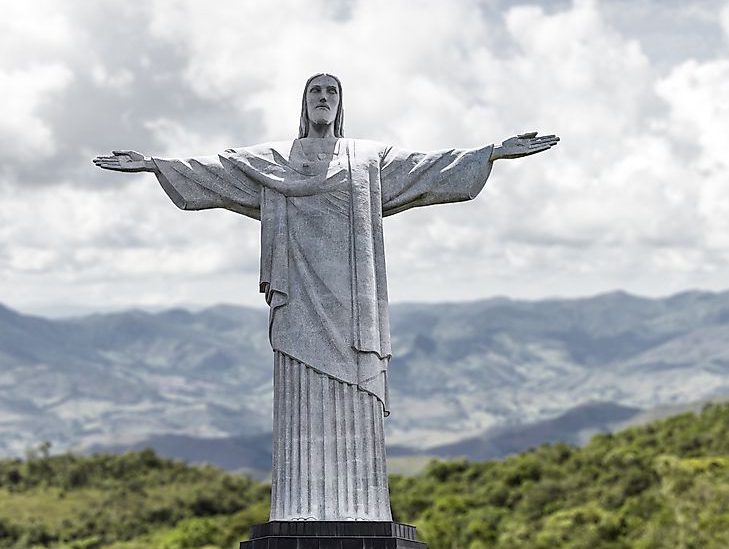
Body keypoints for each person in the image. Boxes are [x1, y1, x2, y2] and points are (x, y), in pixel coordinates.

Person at [93, 73, 558, 521]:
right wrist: (156, 164)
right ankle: (297, 508)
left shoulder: (367, 158)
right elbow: (218, 170)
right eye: (315, 90)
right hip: (298, 301)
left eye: (331, 91)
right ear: (304, 102)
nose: (323, 96)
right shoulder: (274, 161)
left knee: (355, 400)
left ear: (340, 103)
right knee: (301, 404)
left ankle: (364, 510)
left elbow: (429, 166)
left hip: (354, 306)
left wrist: (492, 153)